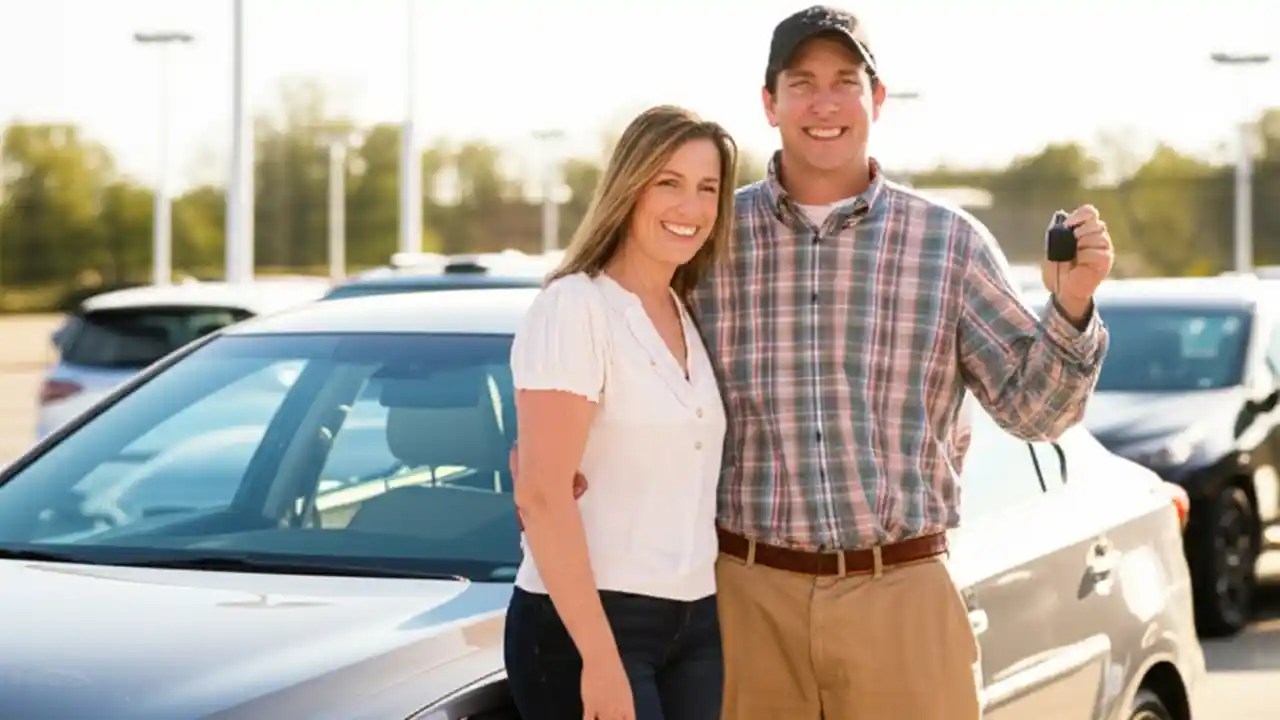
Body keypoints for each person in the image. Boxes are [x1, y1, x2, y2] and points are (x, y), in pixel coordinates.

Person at [686, 6, 1114, 719]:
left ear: (876, 100)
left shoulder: (949, 243)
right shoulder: (710, 243)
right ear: (770, 102)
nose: (824, 103)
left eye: (845, 82)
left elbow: (1038, 414)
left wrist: (1070, 306)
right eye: (802, 82)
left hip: (904, 595)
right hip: (745, 596)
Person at [503, 104, 739, 720]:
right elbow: (543, 493)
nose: (691, 208)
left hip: (693, 622)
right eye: (669, 183)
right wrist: (601, 661)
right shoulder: (575, 307)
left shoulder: (684, 313)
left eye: (707, 188)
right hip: (589, 628)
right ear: (629, 188)